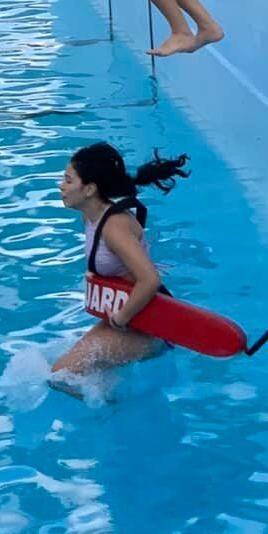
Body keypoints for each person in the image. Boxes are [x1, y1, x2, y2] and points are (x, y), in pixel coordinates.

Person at [53, 141, 189, 374]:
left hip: (152, 326)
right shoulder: (90, 218)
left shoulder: (114, 227)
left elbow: (150, 280)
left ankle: (109, 409)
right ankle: (108, 406)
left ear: (89, 189)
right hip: (132, 320)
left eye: (68, 180)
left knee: (63, 375)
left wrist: (121, 318)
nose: (61, 186)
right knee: (62, 372)